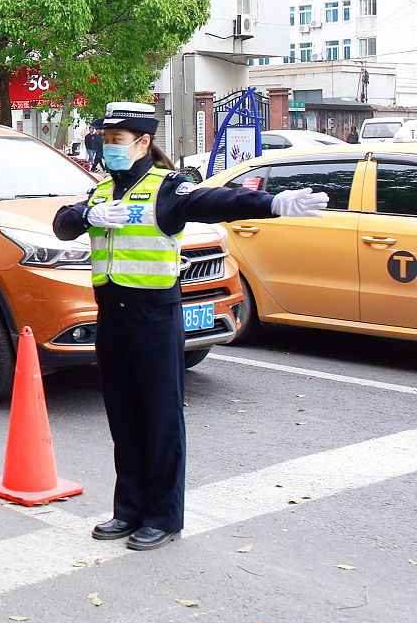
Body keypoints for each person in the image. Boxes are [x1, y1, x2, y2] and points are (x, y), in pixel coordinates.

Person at [52, 102, 330, 551]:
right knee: (123, 416)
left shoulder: (167, 189)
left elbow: (218, 201)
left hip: (154, 318)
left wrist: (273, 203)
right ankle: (129, 509)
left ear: (143, 142)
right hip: (112, 316)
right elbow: (62, 224)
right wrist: (88, 216)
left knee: (160, 418)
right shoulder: (102, 191)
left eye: (117, 140)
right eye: (105, 139)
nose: (109, 147)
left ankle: (162, 517)